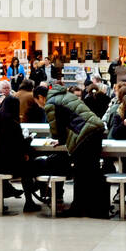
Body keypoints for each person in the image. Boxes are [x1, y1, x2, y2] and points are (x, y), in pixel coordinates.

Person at [45, 69, 109, 217]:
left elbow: (55, 129)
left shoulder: (50, 103)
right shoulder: (67, 96)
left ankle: (79, 208)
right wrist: (63, 139)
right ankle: (94, 208)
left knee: (80, 173)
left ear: (40, 97)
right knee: (92, 171)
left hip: (84, 136)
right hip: (96, 131)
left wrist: (58, 139)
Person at [0, 95, 41, 214]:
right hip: (8, 166)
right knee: (28, 166)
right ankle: (29, 202)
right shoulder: (13, 124)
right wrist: (29, 139)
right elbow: (19, 146)